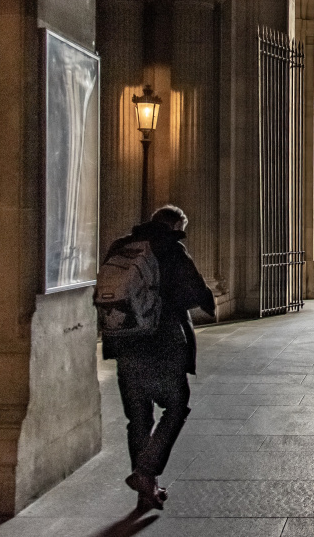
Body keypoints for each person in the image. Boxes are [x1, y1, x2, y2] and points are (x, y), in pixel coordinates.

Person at [101, 205, 216, 511]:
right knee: (176, 407)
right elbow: (196, 292)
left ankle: (146, 489)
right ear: (176, 225)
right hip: (163, 344)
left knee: (137, 418)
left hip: (126, 344)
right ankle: (145, 472)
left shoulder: (120, 247)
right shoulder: (171, 248)